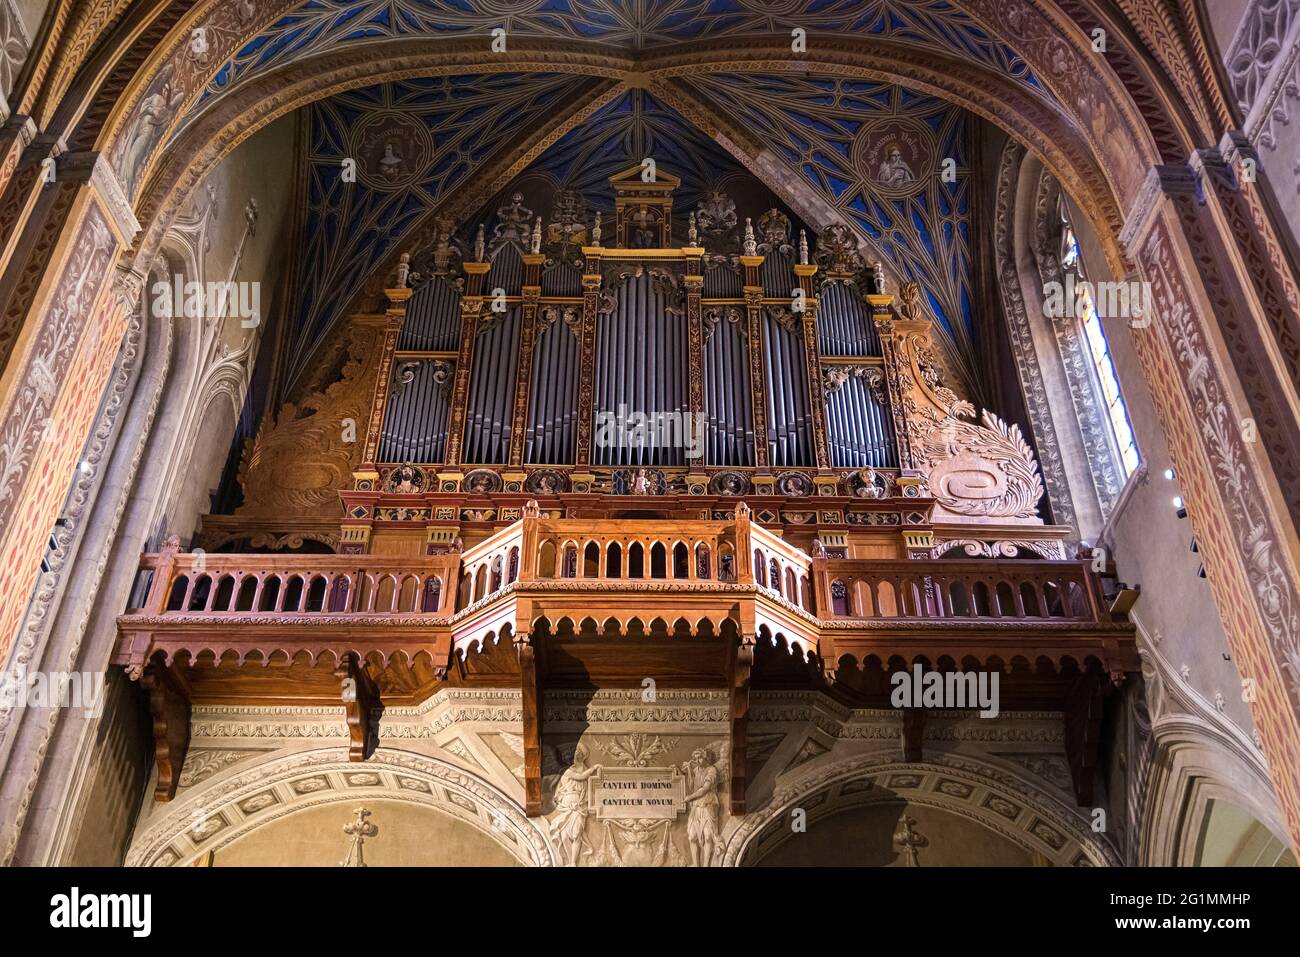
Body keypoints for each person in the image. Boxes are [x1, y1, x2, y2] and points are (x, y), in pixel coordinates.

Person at [550, 745, 600, 866]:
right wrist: (594, 768)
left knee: (577, 833)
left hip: (579, 807)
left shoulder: (582, 769)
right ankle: (568, 861)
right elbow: (580, 777)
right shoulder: (567, 771)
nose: (571, 760)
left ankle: (573, 862)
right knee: (564, 836)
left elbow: (586, 783)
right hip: (568, 807)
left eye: (575, 756)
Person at [681, 748, 722, 867]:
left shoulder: (711, 770)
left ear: (705, 757)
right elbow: (692, 786)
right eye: (695, 758)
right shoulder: (696, 770)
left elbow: (705, 789)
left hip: (708, 803)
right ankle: (696, 864)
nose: (697, 760)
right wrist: (690, 771)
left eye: (699, 757)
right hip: (696, 805)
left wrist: (690, 797)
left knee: (708, 835)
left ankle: (706, 865)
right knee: (692, 836)